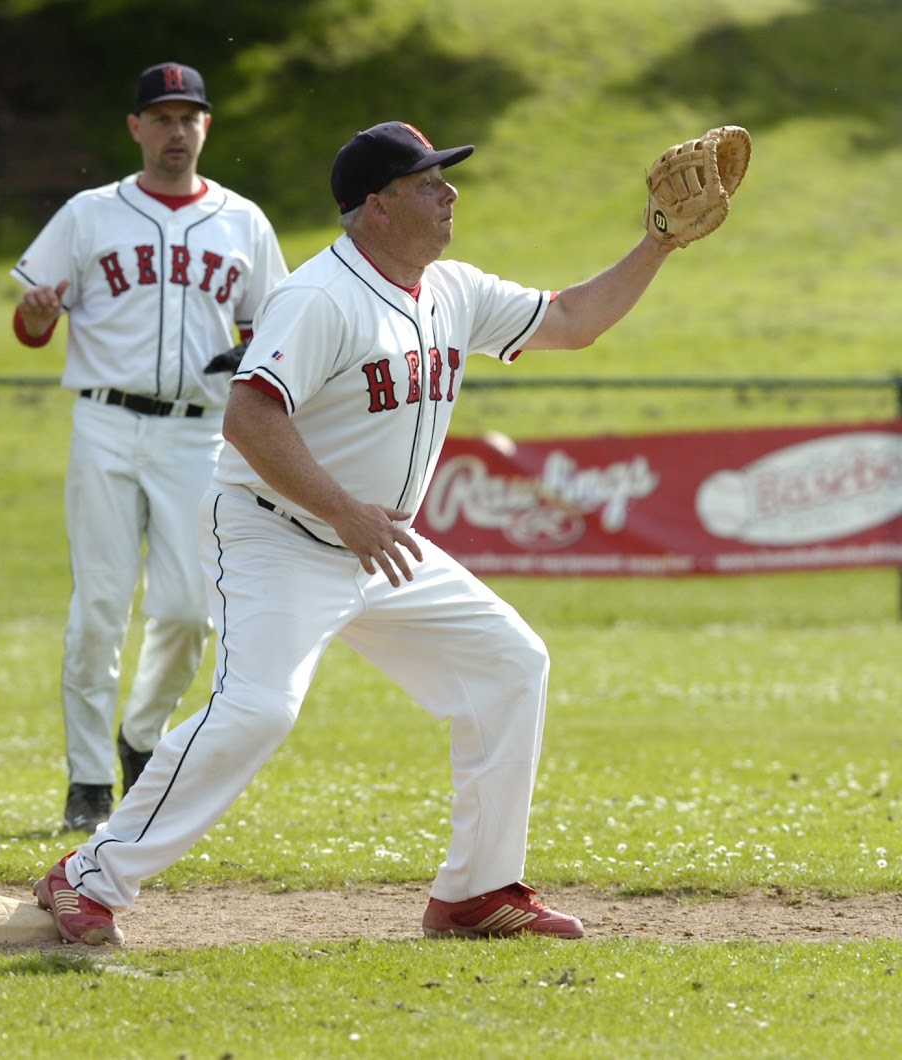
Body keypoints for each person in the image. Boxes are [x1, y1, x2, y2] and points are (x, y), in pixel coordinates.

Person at [36, 119, 736, 944]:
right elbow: (249, 416)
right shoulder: (319, 296)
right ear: (375, 208)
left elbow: (574, 319)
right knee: (257, 709)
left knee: (510, 664)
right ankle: (88, 875)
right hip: (276, 533)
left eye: (446, 178)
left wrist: (656, 243)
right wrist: (343, 512)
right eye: (428, 182)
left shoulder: (450, 289)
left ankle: (476, 892)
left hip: (377, 543)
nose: (450, 194)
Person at [10, 62, 289, 834]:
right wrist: (36, 312)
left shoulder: (243, 221)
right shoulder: (90, 214)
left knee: (189, 610)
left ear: (207, 125)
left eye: (187, 117)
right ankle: (89, 777)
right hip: (104, 421)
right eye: (160, 117)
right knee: (100, 604)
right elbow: (31, 327)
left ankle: (140, 734)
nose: (175, 131)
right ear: (135, 128)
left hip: (198, 433)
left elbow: (270, 330)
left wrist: (251, 356)